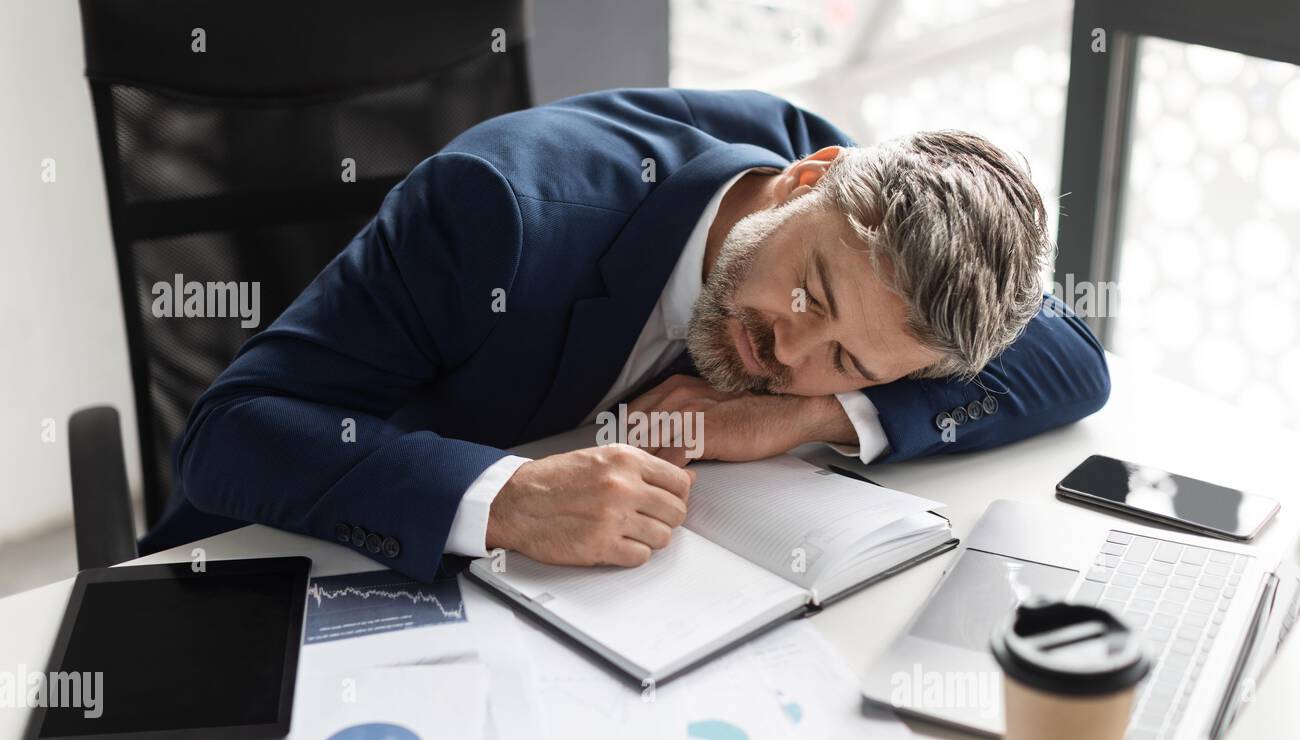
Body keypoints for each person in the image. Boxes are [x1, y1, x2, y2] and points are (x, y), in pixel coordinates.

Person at [141, 88, 1109, 581]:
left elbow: (1073, 364)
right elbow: (229, 434)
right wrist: (506, 496)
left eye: (849, 358)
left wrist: (802, 418)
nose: (788, 355)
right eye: (810, 295)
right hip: (286, 569)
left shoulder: (862, 233)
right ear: (809, 176)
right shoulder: (495, 213)